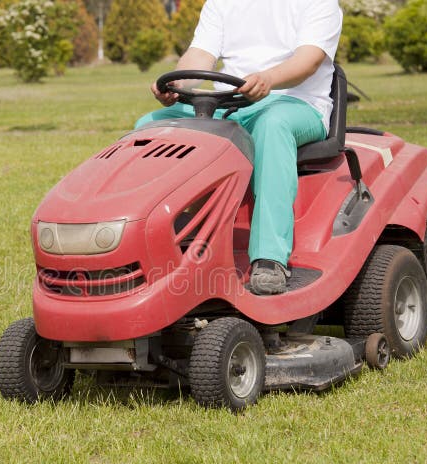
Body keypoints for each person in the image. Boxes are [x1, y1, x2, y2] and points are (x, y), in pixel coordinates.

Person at [135, 0, 343, 295]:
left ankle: (270, 257)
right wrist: (178, 82)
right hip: (231, 102)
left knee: (272, 126)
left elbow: (307, 62)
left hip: (296, 105)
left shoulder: (319, 3)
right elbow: (201, 54)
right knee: (152, 126)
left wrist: (268, 79)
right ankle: (158, 242)